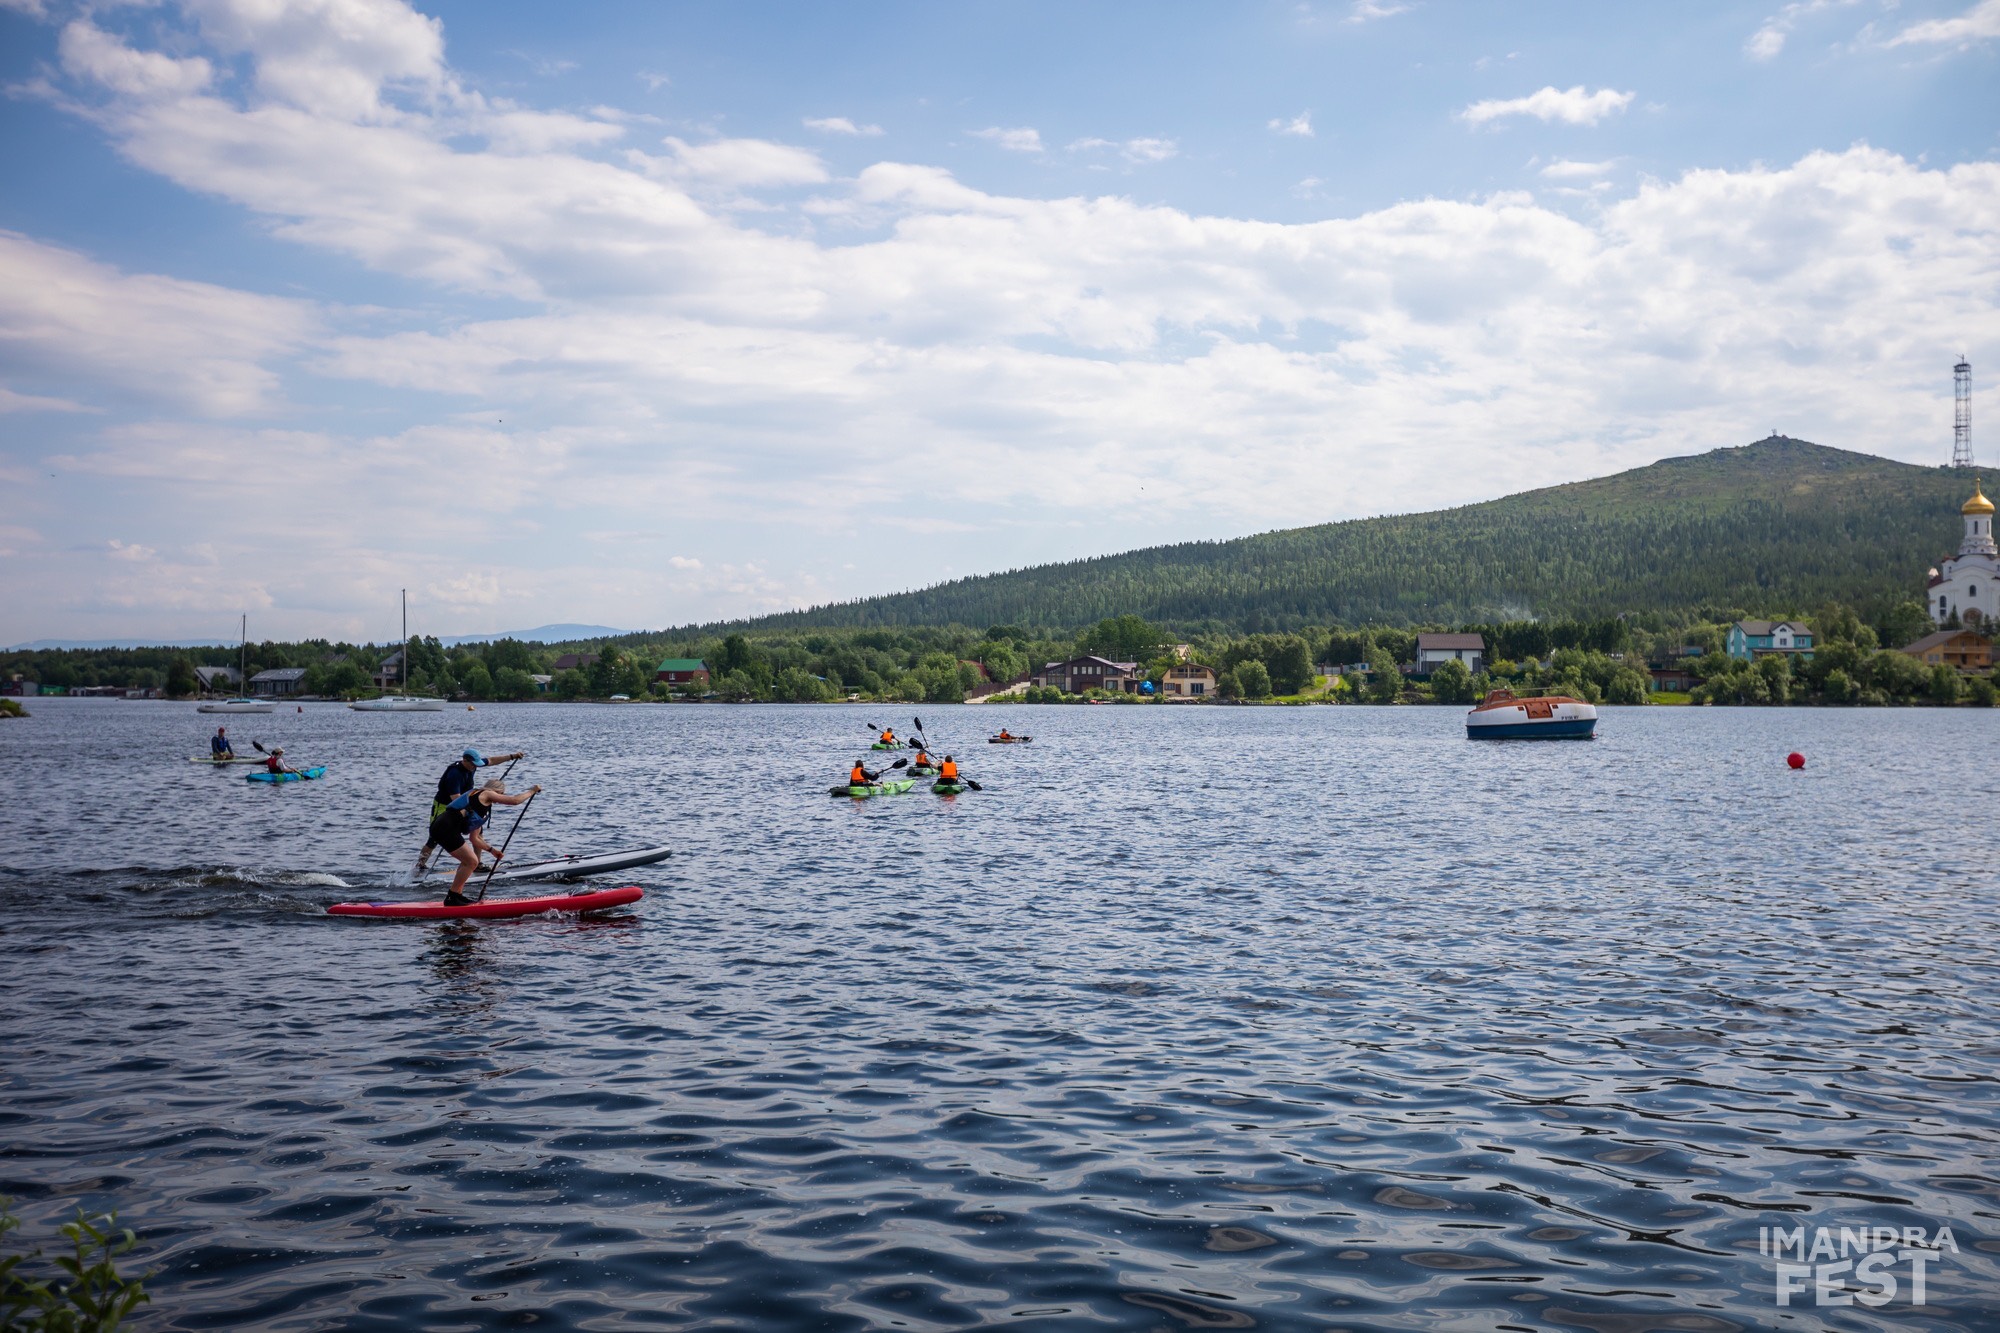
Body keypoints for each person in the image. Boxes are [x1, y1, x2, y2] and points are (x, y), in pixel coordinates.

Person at [431, 779, 542, 905]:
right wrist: (532, 791)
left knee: (468, 861)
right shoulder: (485, 793)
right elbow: (514, 801)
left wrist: (492, 851)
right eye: (501, 793)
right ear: (496, 790)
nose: (498, 798)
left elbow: (475, 838)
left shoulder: (481, 806)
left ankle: (456, 895)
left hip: (443, 827)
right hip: (445, 827)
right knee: (472, 861)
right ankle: (452, 897)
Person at [416, 746, 527, 872]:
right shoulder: (455, 774)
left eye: (477, 764)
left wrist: (512, 756)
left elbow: (491, 760)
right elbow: (456, 799)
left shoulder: (473, 765)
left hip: (466, 803)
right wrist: (478, 804)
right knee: (434, 838)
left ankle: (478, 864)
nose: (475, 767)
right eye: (473, 764)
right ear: (465, 760)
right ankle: (420, 865)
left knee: (478, 832)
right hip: (445, 806)